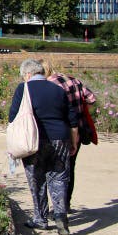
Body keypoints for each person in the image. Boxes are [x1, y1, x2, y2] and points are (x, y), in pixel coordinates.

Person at [9, 59, 78, 235]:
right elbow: (72, 119)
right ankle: (61, 215)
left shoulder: (23, 88)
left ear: (28, 74)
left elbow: (12, 116)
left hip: (34, 140)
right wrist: (74, 142)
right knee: (60, 177)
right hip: (60, 138)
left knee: (37, 179)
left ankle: (40, 219)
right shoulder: (58, 90)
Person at [41, 60, 97, 212]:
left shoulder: (50, 85)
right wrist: (81, 113)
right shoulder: (73, 79)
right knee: (70, 167)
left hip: (59, 130)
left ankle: (57, 207)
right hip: (78, 130)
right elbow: (91, 99)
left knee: (55, 168)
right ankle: (66, 204)